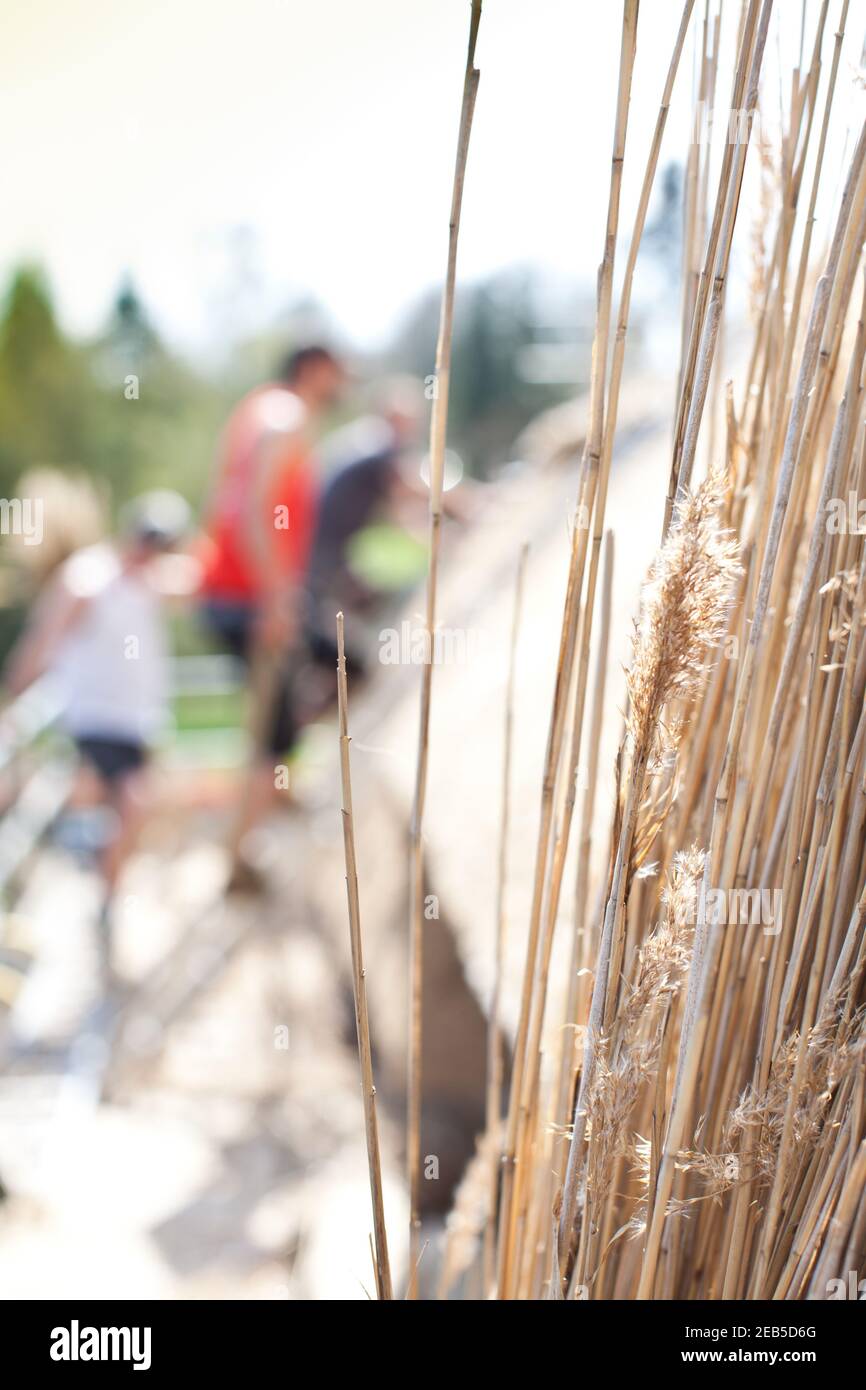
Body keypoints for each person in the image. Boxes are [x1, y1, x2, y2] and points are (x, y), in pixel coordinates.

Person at [3, 490, 192, 977]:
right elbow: (46, 640)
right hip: (96, 715)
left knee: (125, 807)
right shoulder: (90, 577)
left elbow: (191, 583)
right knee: (131, 800)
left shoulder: (147, 580)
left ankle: (100, 884)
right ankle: (102, 900)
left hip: (135, 720)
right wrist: (13, 695)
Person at [198, 344, 345, 883]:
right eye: (335, 372)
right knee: (278, 728)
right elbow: (251, 511)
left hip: (241, 591)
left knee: (295, 705)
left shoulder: (256, 411)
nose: (342, 383)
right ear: (310, 370)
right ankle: (239, 857)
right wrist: (275, 598)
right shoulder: (286, 417)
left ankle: (263, 815)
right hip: (250, 596)